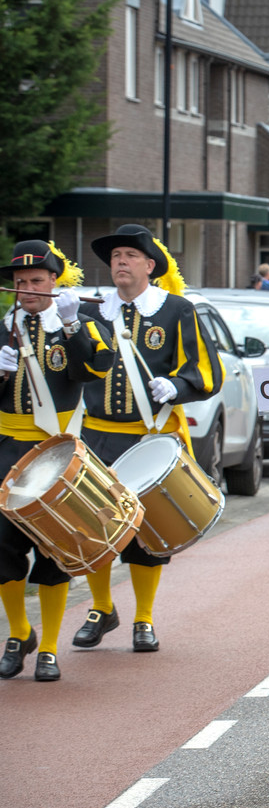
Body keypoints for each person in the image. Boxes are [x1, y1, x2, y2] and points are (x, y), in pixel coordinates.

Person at [73, 224, 223, 652]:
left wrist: (177, 386)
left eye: (129, 255)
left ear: (150, 266)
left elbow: (206, 370)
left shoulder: (176, 310)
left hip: (150, 436)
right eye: (116, 255)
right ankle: (101, 608)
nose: (120, 261)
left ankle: (143, 618)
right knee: (95, 528)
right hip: (97, 435)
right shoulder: (90, 312)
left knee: (147, 533)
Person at [0, 241, 114, 682]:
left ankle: (48, 646)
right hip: (8, 447)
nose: (27, 289)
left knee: (54, 548)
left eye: (36, 281)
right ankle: (18, 633)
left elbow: (94, 371)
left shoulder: (78, 322)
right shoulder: (3, 328)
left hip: (58, 449)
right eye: (20, 282)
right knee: (3, 548)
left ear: (54, 282)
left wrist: (71, 327)